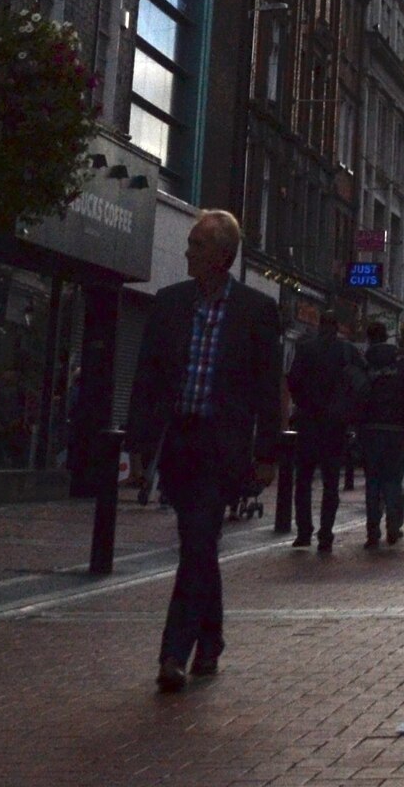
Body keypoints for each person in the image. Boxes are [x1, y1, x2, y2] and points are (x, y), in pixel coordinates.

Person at [125, 209, 284, 694]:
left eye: (196, 245)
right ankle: (211, 641)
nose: (186, 251)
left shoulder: (256, 312)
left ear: (223, 256)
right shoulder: (169, 304)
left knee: (197, 542)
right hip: (180, 443)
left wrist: (266, 453)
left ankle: (174, 652)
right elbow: (147, 380)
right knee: (199, 546)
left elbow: (266, 390)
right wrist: (138, 447)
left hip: (222, 447)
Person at [286, 305, 359, 553]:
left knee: (303, 480)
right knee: (330, 482)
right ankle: (325, 533)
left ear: (319, 325)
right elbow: (358, 383)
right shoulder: (346, 351)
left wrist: (303, 402)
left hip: (309, 421)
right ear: (337, 326)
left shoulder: (305, 349)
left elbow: (293, 380)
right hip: (335, 424)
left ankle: (304, 531)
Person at [356, 321, 404, 549]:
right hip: (396, 430)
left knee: (372, 481)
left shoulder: (363, 361)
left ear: (369, 338)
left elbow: (356, 394)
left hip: (370, 429)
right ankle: (394, 525)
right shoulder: (401, 362)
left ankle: (373, 531)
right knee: (393, 480)